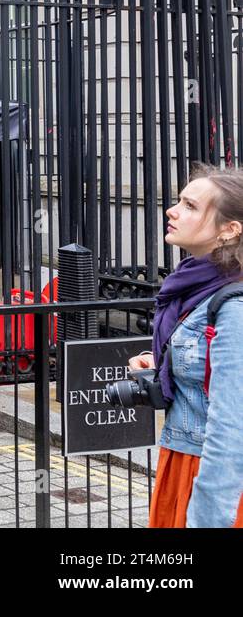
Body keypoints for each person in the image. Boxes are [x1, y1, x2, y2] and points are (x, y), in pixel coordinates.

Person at [129, 164, 243, 528]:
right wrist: (159, 363)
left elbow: (231, 427)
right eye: (179, 201)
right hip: (181, 460)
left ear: (229, 230)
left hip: (213, 478)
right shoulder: (194, 288)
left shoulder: (233, 307)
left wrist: (208, 517)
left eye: (191, 206)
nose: (172, 211)